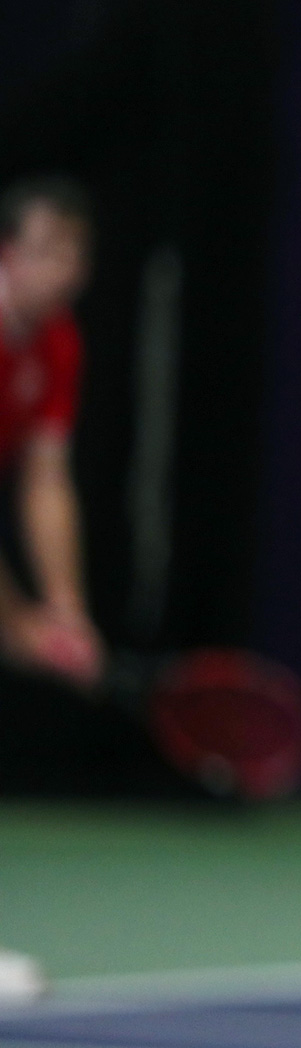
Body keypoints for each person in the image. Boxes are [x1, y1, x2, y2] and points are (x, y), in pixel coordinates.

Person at [0, 176, 102, 691]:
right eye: (47, 252)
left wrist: (67, 611)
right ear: (9, 254)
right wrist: (15, 621)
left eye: (75, 255)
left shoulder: (60, 342)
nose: (65, 271)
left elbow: (46, 481)